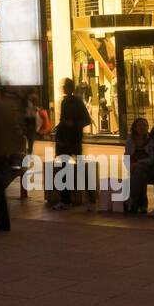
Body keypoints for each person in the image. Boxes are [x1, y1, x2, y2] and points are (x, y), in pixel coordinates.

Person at [0, 85, 27, 231]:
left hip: (2, 153)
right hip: (11, 152)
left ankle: (3, 222)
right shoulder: (14, 107)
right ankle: (3, 221)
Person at [51, 79, 91, 209]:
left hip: (73, 139)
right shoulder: (65, 102)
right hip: (65, 140)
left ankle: (89, 197)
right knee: (64, 168)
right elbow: (63, 120)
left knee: (78, 168)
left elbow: (86, 120)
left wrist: (73, 124)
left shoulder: (77, 102)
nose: (63, 89)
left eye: (66, 87)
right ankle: (66, 199)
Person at [123, 118, 153, 214]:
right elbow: (126, 156)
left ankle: (131, 199)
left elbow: (152, 159)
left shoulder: (151, 140)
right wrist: (130, 165)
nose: (143, 128)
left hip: (148, 167)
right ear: (135, 128)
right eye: (140, 125)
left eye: (145, 125)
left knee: (139, 170)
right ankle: (142, 204)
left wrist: (138, 163)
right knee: (141, 176)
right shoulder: (130, 141)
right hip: (134, 168)